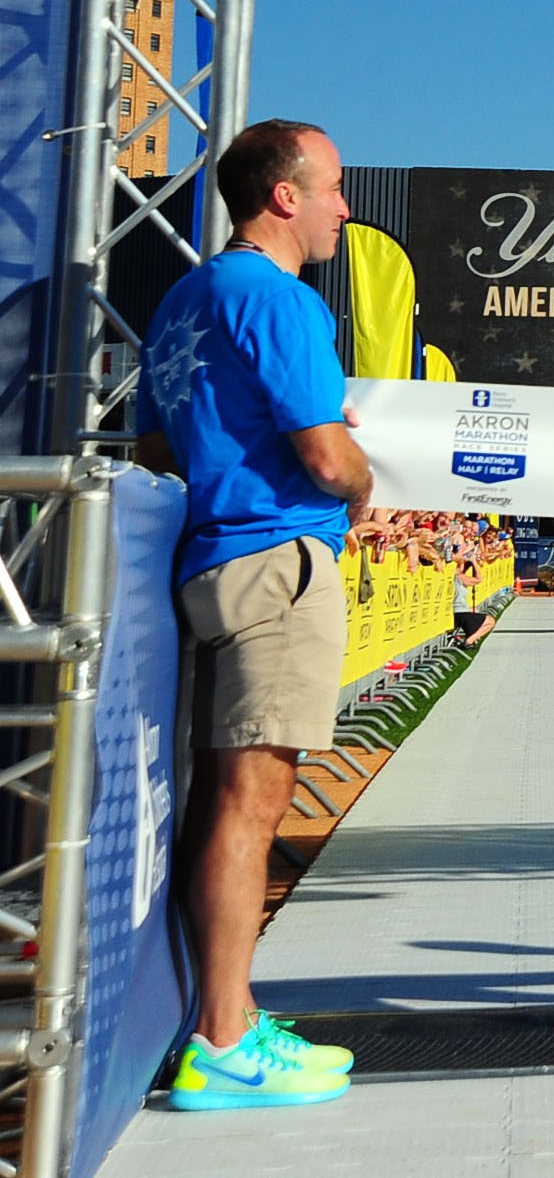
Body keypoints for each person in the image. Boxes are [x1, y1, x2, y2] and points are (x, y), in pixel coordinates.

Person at [135, 119, 367, 1108]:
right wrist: (359, 483)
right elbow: (324, 455)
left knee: (225, 802)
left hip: (209, 564)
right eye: (334, 188)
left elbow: (157, 449)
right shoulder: (280, 299)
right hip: (277, 562)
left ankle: (227, 1012)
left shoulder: (185, 296)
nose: (343, 210)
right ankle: (224, 1036)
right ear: (285, 194)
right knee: (249, 805)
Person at [451, 554, 496, 650]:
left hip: (456, 610)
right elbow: (478, 579)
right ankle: (469, 641)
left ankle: (473, 636)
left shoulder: (453, 575)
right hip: (458, 612)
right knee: (490, 621)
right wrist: (474, 562)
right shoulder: (458, 577)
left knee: (475, 610)